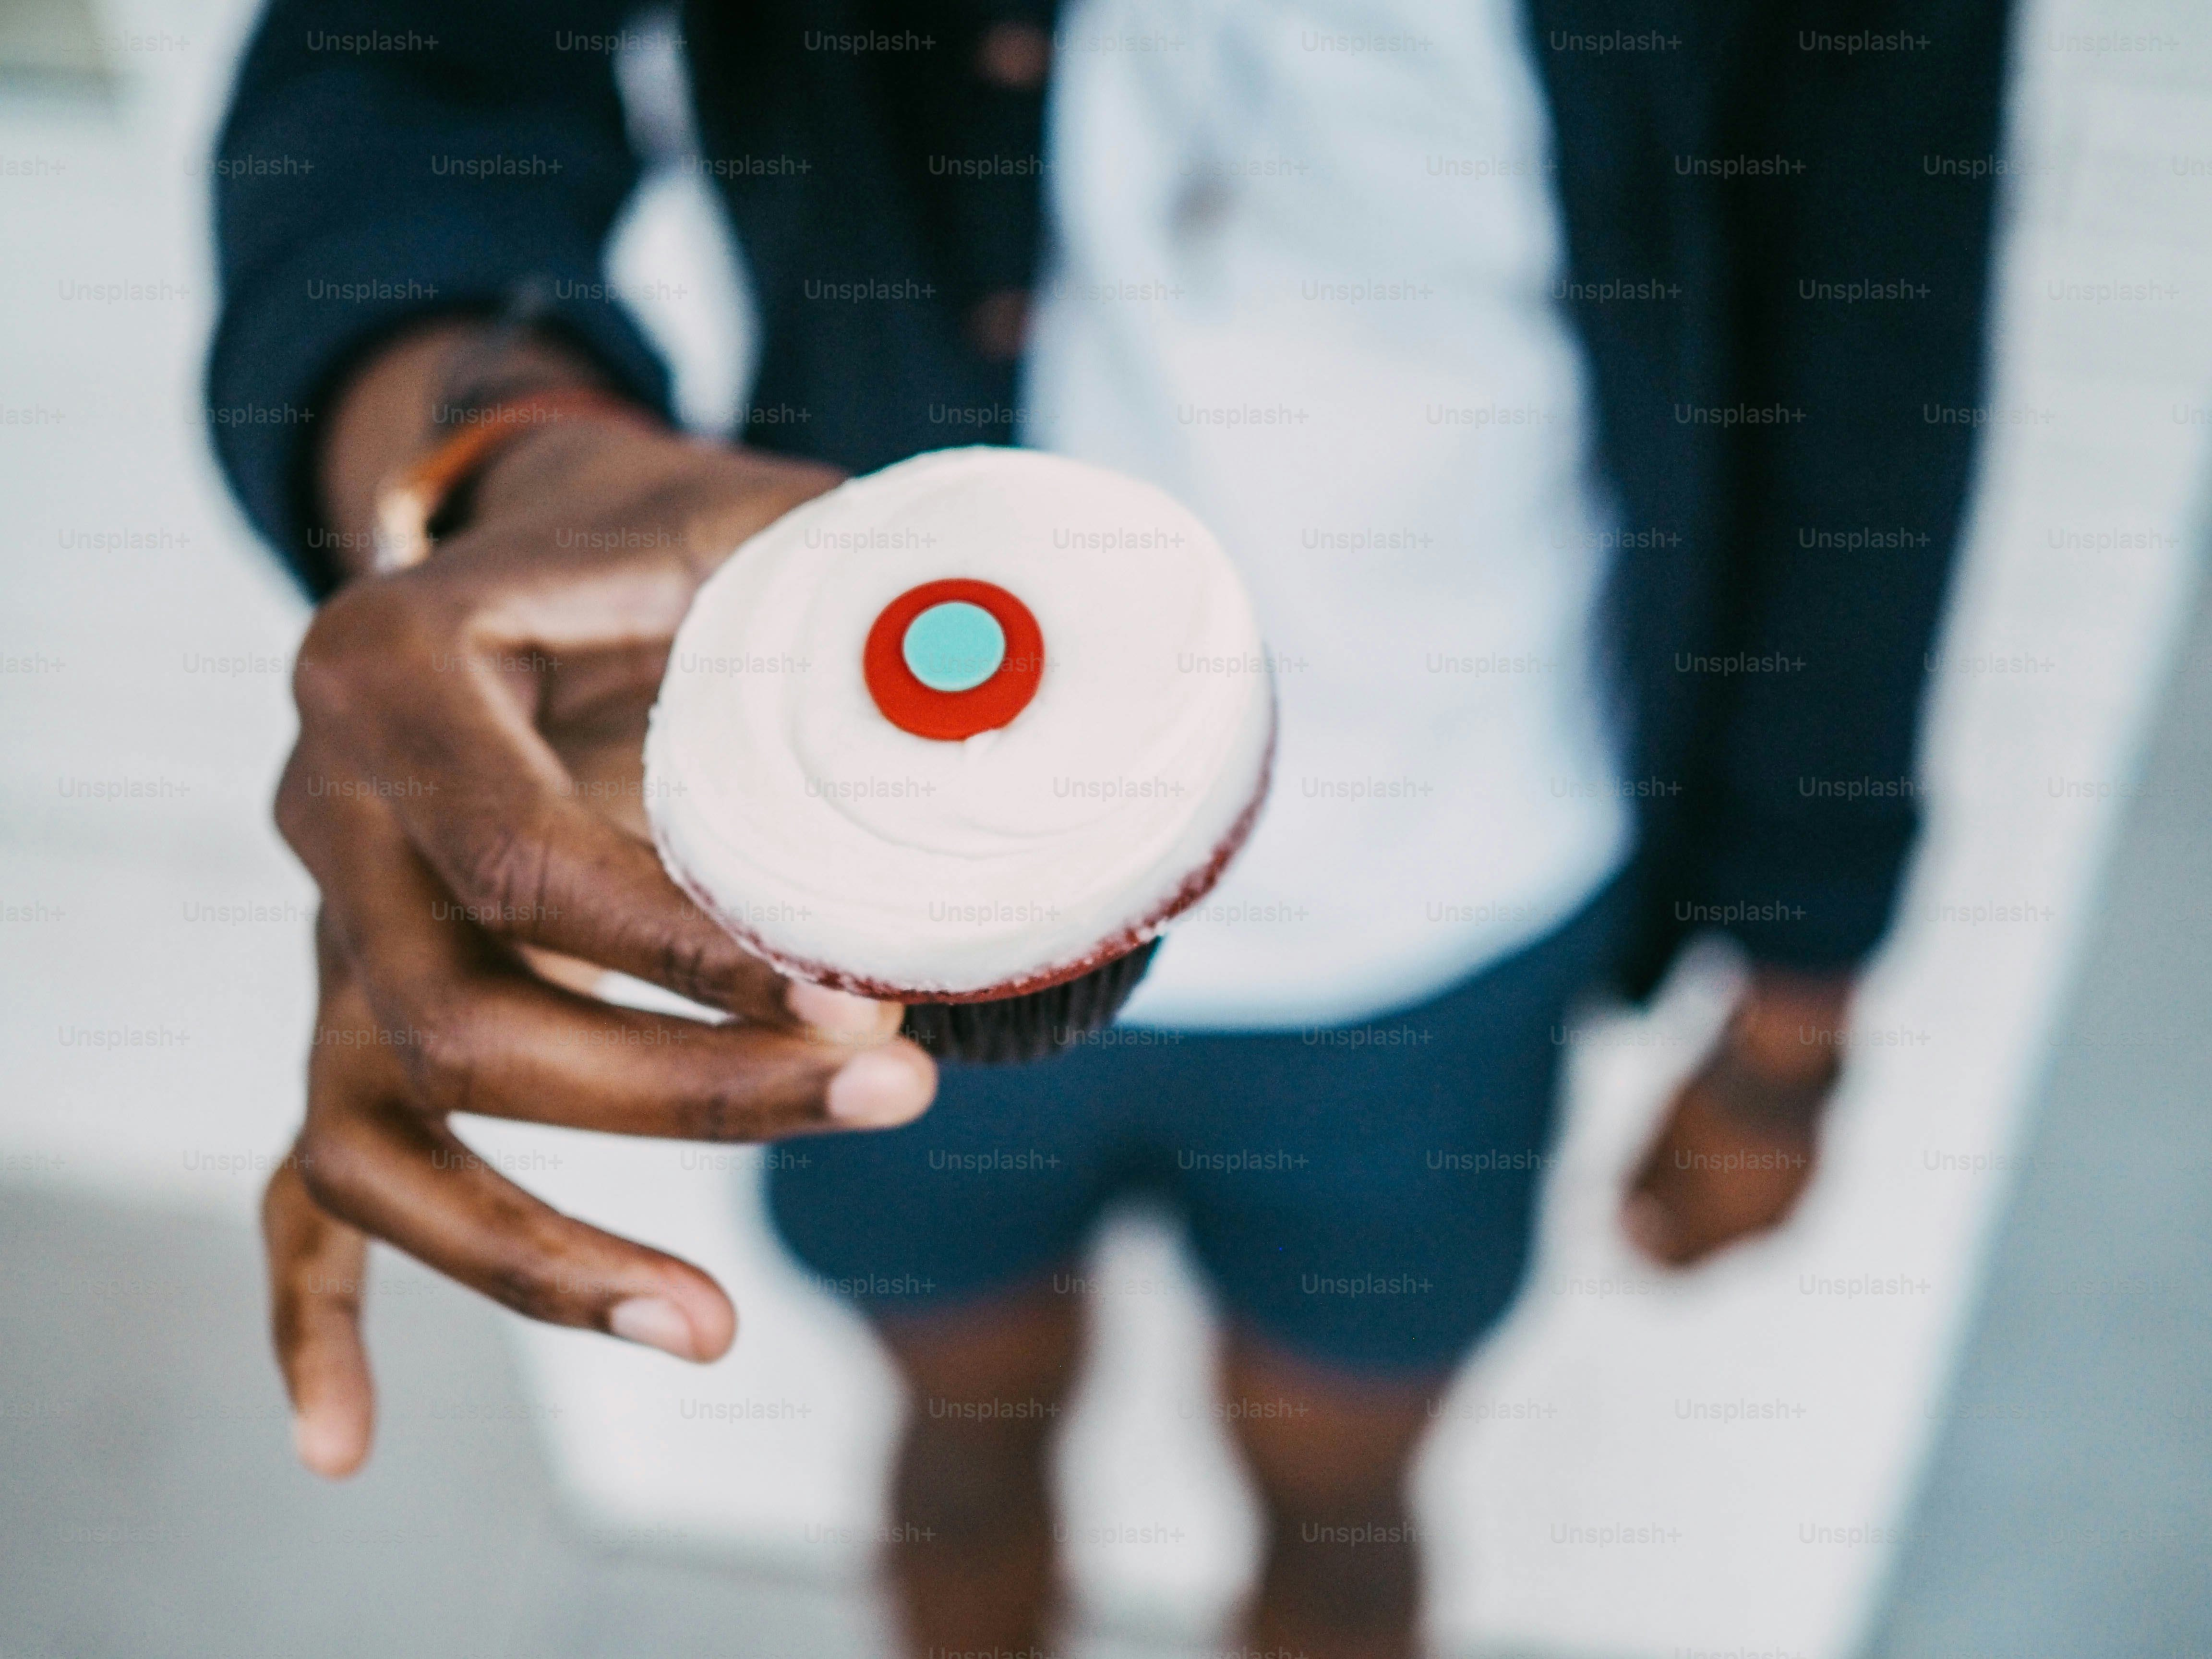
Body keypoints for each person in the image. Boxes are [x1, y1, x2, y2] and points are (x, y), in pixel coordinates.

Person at [208, 1, 2009, 1654]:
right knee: (963, 1447)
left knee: (1344, 1494)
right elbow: (410, 57)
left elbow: (1873, 345)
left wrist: (1799, 1003)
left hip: (1452, 917)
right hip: (862, 911)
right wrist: (484, 454)